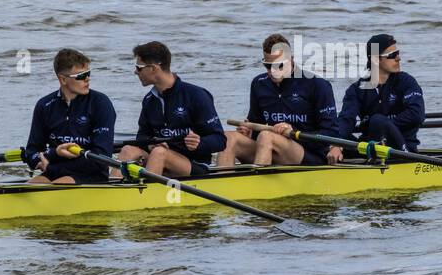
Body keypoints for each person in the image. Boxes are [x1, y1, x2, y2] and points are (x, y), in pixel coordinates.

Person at [217, 33, 343, 167]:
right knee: (229, 138)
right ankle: (222, 182)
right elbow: (256, 124)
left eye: (279, 65)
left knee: (267, 136)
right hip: (269, 147)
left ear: (291, 60)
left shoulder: (317, 85)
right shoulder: (259, 84)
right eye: (268, 66)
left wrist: (292, 131)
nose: (272, 71)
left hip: (309, 154)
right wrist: (249, 132)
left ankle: (259, 184)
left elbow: (331, 133)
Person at [119, 41, 225, 177]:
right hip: (161, 158)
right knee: (128, 150)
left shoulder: (196, 95)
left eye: (139, 67)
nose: (135, 71)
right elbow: (142, 136)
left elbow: (220, 140)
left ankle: (147, 196)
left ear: (153, 68)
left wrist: (200, 143)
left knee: (159, 153)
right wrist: (149, 144)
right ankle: (109, 193)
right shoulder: (149, 100)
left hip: (194, 164)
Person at [25, 48, 117, 184]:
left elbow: (101, 157)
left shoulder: (100, 103)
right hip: (54, 171)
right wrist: (46, 159)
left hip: (91, 173)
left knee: (55, 187)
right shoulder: (44, 105)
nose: (87, 79)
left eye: (88, 73)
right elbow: (32, 151)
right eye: (81, 76)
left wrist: (52, 165)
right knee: (27, 189)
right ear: (63, 79)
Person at [336, 33, 426, 152]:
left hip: (402, 148)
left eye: (398, 53)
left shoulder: (406, 82)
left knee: (378, 120)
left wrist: (380, 125)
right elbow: (346, 120)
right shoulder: (357, 89)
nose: (398, 58)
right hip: (371, 145)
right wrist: (336, 144)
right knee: (334, 135)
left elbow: (416, 115)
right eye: (393, 55)